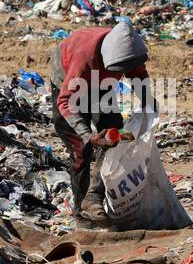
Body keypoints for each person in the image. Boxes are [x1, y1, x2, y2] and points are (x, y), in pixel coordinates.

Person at [49, 21, 151, 221]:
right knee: (81, 148)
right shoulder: (85, 60)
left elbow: (139, 75)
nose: (123, 73)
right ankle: (82, 208)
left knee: (114, 134)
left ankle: (94, 196)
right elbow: (65, 101)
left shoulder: (127, 51)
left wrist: (149, 103)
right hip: (67, 80)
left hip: (102, 83)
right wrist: (88, 136)